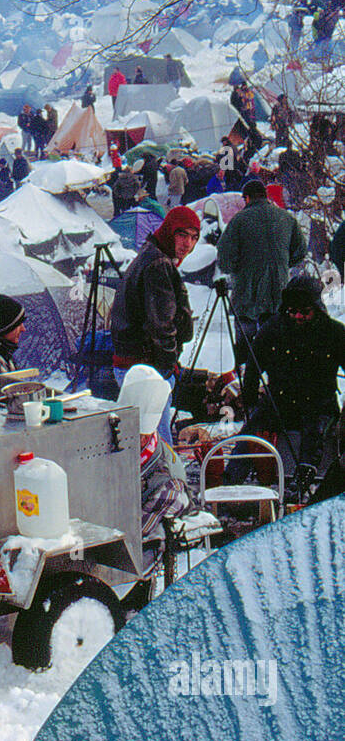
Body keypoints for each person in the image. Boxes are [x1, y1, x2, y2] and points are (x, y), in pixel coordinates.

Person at [229, 276, 345, 485]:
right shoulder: (273, 329)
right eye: (293, 311)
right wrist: (250, 401)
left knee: (314, 434)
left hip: (320, 405)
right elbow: (253, 369)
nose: (298, 316)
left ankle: (304, 480)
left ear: (317, 308)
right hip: (279, 402)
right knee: (250, 432)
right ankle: (229, 483)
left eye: (305, 311)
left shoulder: (334, 332)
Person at [110, 206, 201, 445]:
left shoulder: (153, 254)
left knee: (147, 441)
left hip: (138, 363)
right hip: (146, 368)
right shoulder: (158, 264)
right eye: (182, 235)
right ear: (170, 232)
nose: (188, 244)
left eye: (194, 237)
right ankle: (165, 482)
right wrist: (167, 366)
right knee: (157, 446)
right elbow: (161, 325)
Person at [217, 177, 307, 366]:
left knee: (245, 349)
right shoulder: (286, 218)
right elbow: (300, 252)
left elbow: (224, 260)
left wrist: (239, 269)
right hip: (279, 294)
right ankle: (274, 386)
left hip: (246, 295)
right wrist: (282, 266)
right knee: (277, 345)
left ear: (247, 198)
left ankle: (246, 386)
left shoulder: (239, 220)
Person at [116, 364, 195, 562]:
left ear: (146, 437)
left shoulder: (167, 486)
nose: (132, 440)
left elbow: (131, 534)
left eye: (138, 436)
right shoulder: (132, 440)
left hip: (145, 537)